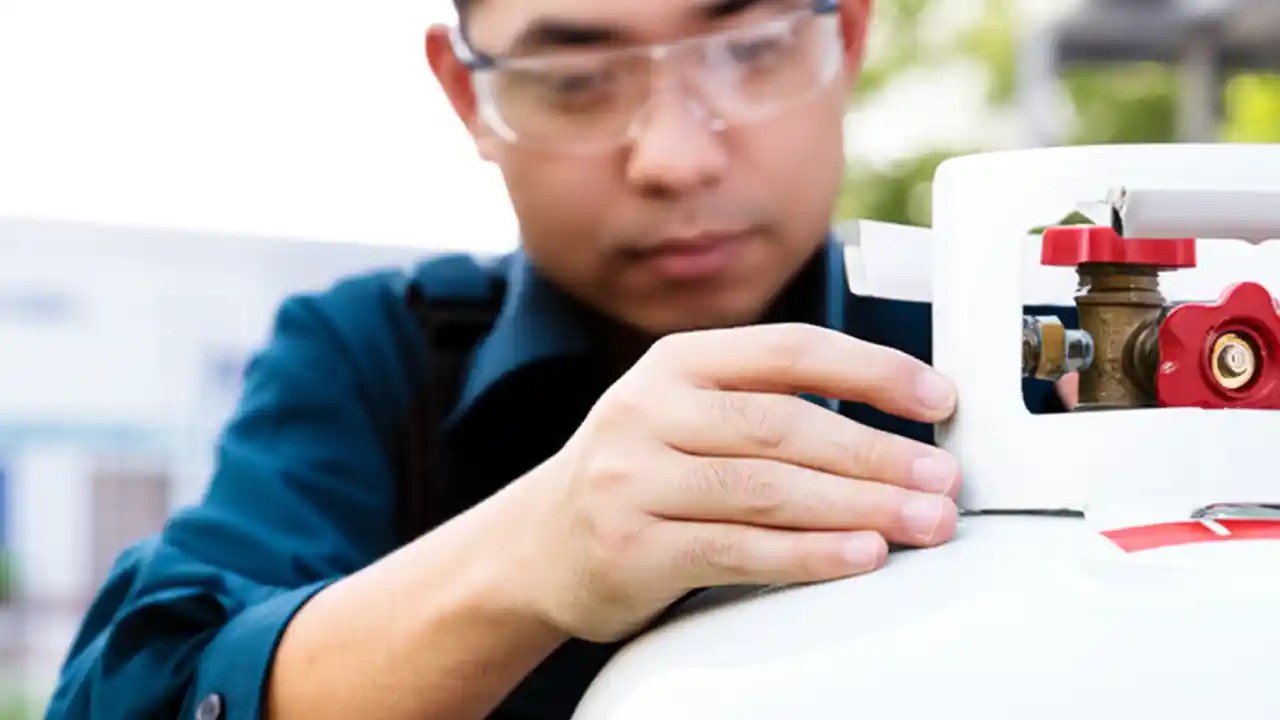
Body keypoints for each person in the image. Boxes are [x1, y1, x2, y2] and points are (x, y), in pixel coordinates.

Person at [46, 0, 1072, 718]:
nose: (674, 158)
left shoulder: (1016, 349)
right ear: (465, 94)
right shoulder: (372, 359)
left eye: (749, 48)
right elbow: (138, 692)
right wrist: (526, 558)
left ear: (845, 33)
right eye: (574, 79)